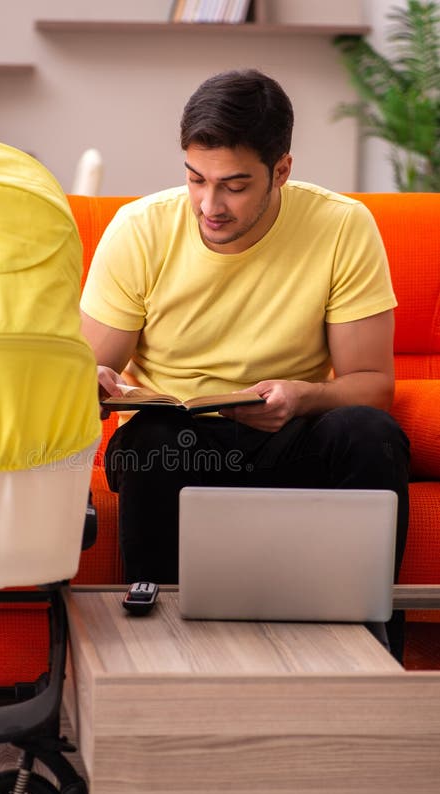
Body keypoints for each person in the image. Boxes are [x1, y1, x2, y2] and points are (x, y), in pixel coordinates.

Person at [80, 69, 410, 660]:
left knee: (369, 434)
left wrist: (303, 397)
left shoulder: (341, 226)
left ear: (281, 170)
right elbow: (86, 376)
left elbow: (372, 386)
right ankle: (155, 651)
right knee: (153, 440)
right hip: (177, 444)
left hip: (289, 437)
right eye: (195, 179)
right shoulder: (139, 230)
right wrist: (94, 381)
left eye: (234, 185)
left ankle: (371, 648)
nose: (210, 205)